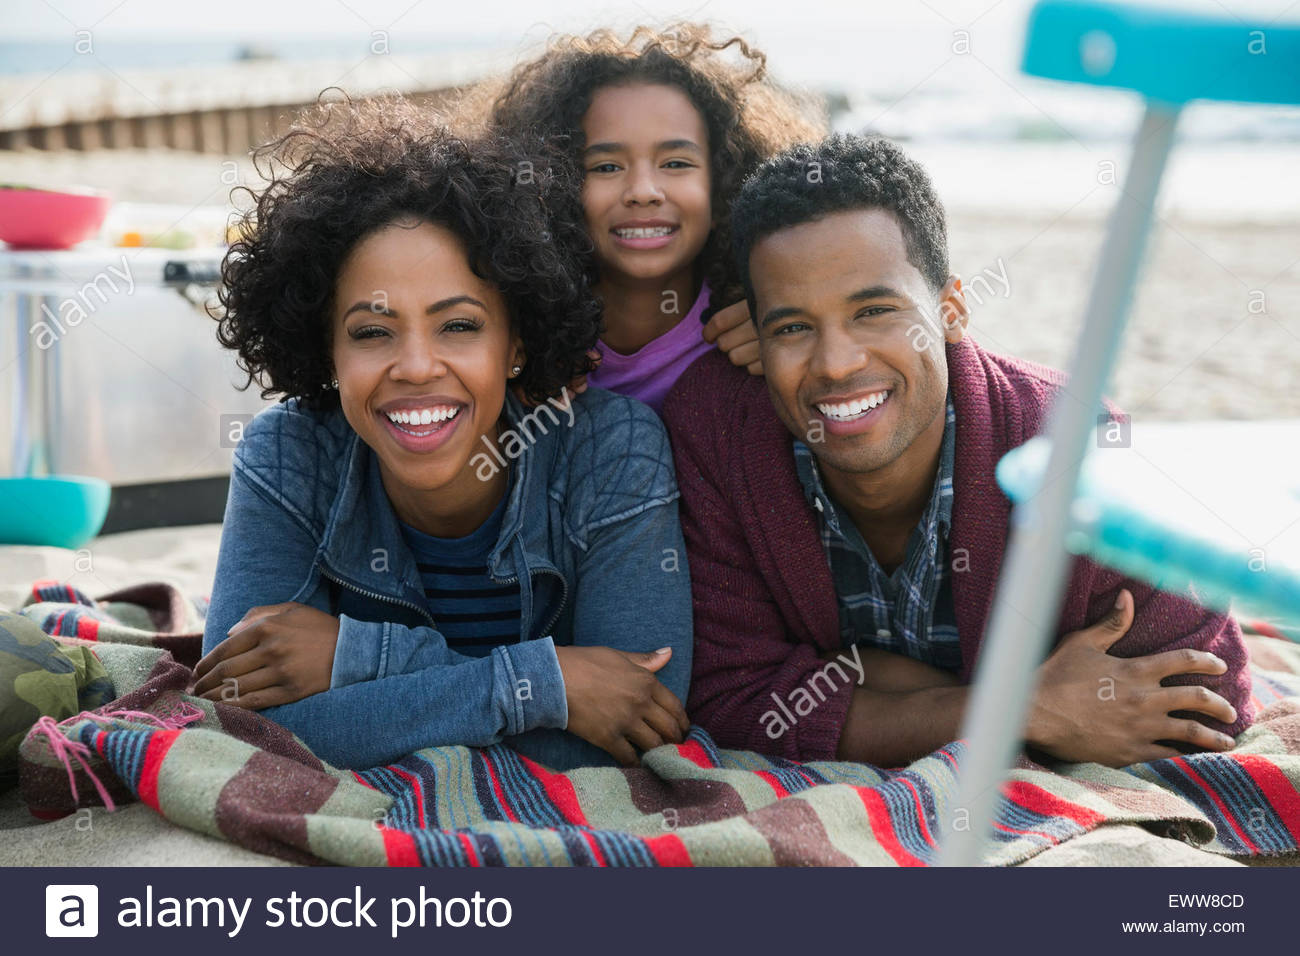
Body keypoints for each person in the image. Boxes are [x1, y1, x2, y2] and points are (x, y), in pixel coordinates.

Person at [662, 134, 1254, 769]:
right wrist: (1022, 707)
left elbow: (1208, 697)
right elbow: (726, 698)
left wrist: (866, 685)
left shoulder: (1072, 446)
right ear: (757, 333)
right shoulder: (715, 429)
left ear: (949, 310)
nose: (837, 364)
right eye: (793, 327)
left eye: (874, 311)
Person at [193, 101, 691, 771]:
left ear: (517, 341)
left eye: (458, 326)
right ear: (328, 351)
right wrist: (550, 685)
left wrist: (355, 660)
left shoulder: (615, 451)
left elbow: (638, 721)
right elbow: (249, 730)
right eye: (372, 332)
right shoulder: (286, 458)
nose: (418, 366)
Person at [470, 24, 823, 411]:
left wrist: (787, 337)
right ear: (553, 187)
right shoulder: (522, 335)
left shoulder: (754, 323)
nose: (642, 191)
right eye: (605, 167)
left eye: (675, 163)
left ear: (724, 189)